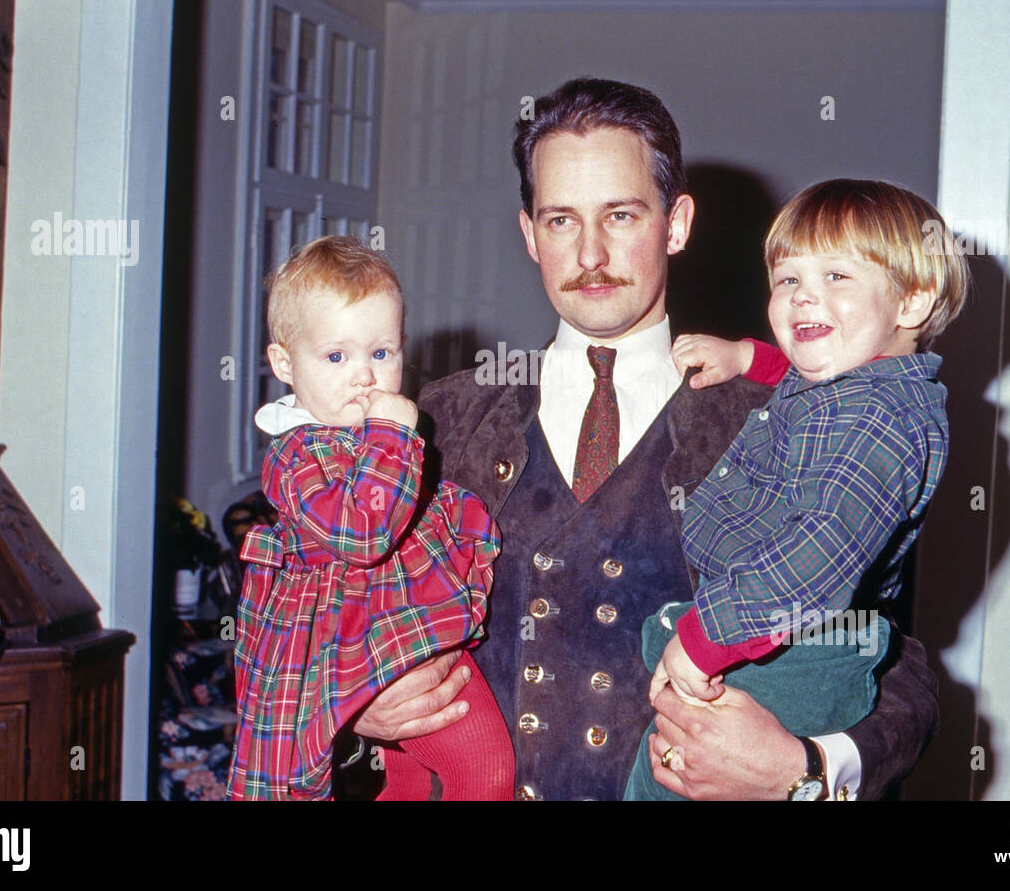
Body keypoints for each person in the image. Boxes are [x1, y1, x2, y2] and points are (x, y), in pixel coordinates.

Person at [349, 78, 939, 801]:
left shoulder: (799, 417)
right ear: (530, 234)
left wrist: (806, 769)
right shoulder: (434, 424)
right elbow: (322, 608)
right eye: (561, 221)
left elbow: (892, 667)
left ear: (676, 223)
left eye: (621, 215)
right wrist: (355, 706)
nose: (590, 253)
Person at [624, 178, 968, 800]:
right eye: (788, 280)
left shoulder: (876, 422)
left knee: (668, 784)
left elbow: (811, 562)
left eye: (837, 277)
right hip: (773, 637)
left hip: (794, 652)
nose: (804, 297)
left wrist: (706, 639)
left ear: (913, 301)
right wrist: (749, 358)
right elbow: (811, 381)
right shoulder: (860, 383)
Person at [227, 235, 513, 800]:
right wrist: (392, 437)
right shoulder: (296, 454)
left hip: (403, 622)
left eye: (381, 353)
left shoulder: (378, 439)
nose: (364, 377)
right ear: (284, 362)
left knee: (408, 779)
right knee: (486, 770)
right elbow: (364, 533)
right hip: (352, 637)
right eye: (336, 356)